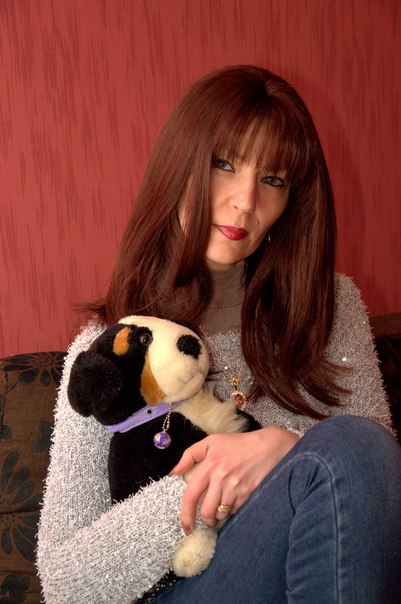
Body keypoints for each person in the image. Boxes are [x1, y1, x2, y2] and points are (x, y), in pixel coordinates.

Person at [37, 65, 401, 603]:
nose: (245, 201)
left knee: (359, 446)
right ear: (180, 164)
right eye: (224, 165)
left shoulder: (331, 306)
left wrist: (280, 450)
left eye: (273, 180)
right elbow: (62, 583)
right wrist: (210, 484)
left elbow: (369, 480)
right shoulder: (111, 347)